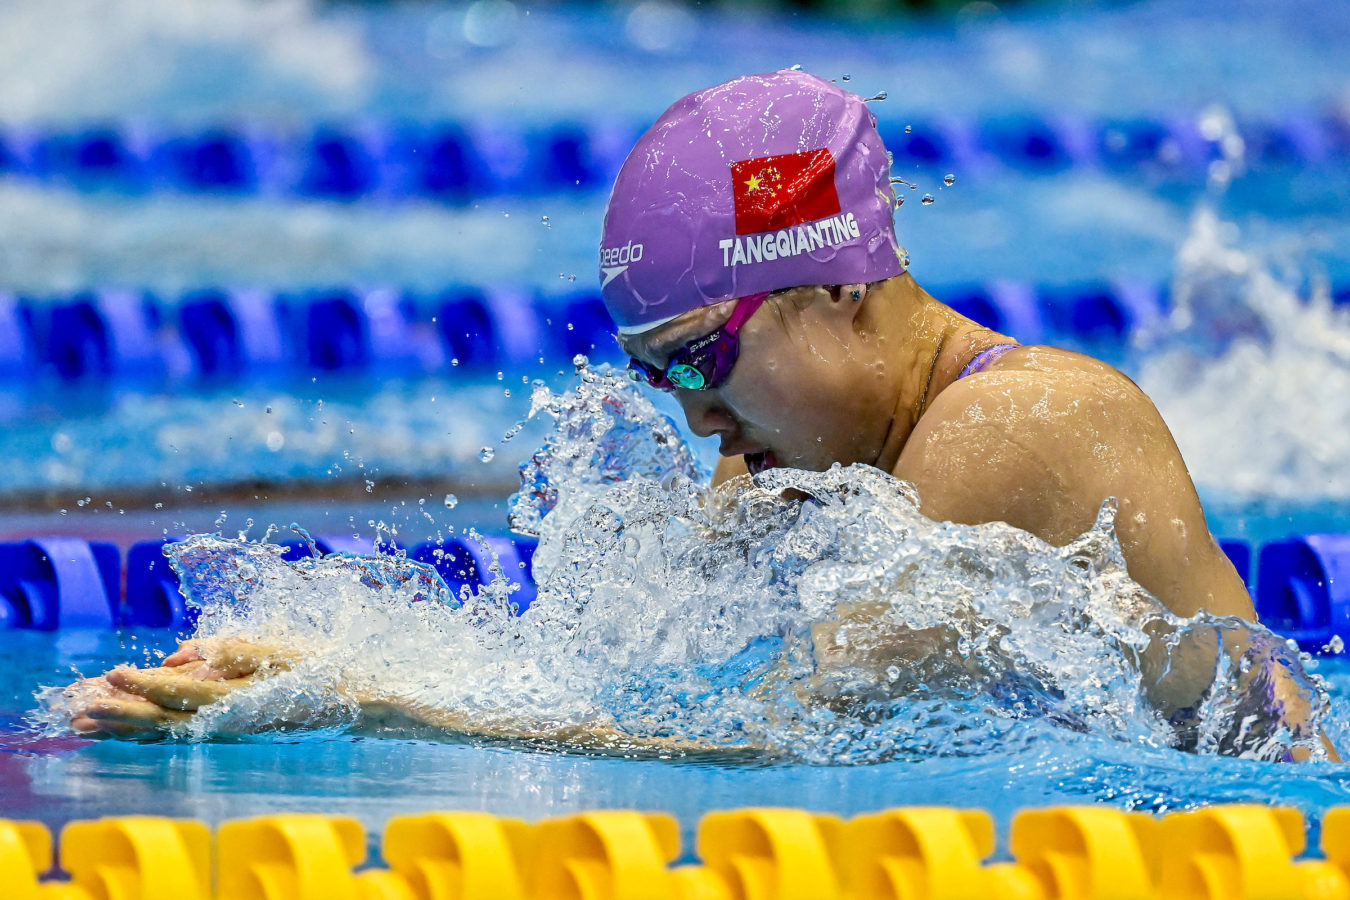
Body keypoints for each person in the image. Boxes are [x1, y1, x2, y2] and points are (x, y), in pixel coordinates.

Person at [62, 71, 1332, 758]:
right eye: (659, 381)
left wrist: (366, 700)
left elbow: (782, 734)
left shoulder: (1024, 427)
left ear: (835, 285)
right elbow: (626, 679)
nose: (697, 423)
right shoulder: (806, 461)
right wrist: (320, 647)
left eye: (700, 361)